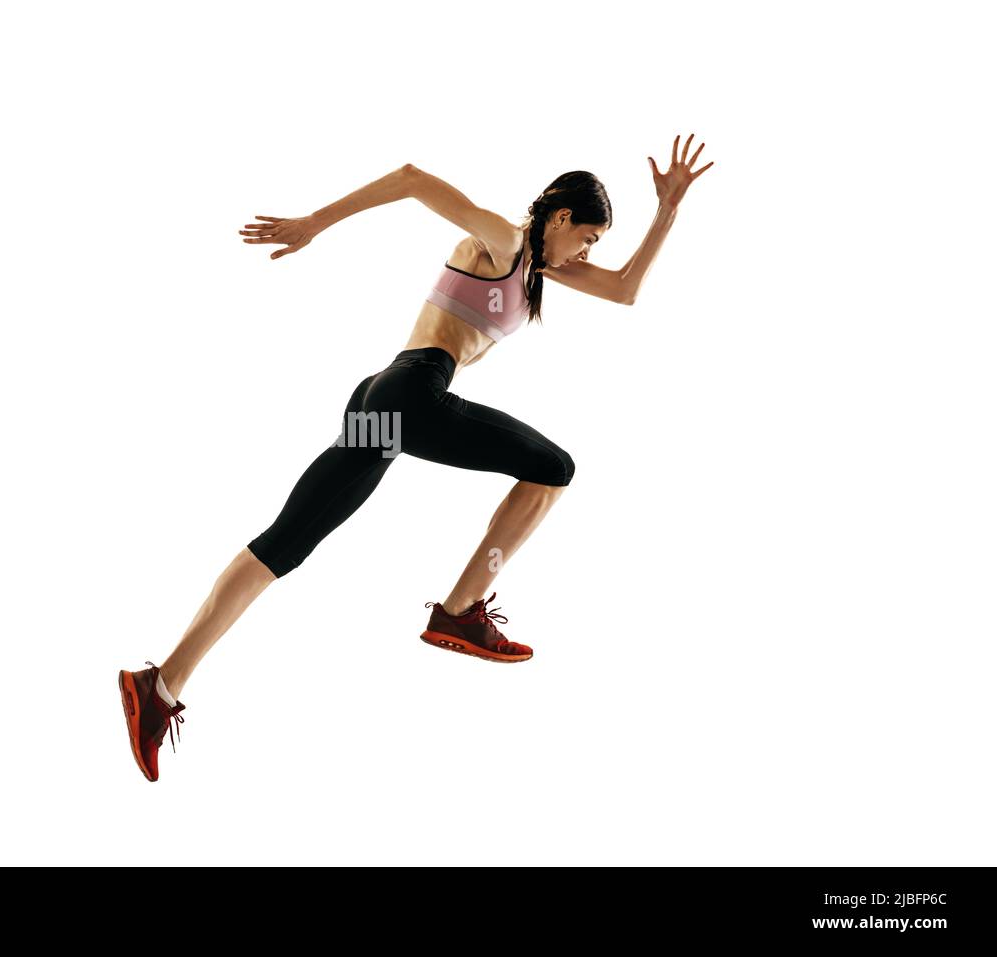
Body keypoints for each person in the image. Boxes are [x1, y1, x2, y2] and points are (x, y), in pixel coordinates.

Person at [120, 134, 714, 782]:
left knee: (284, 544)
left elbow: (627, 289)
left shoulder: (539, 271)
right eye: (589, 238)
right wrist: (313, 224)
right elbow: (410, 178)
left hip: (381, 396)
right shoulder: (506, 243)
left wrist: (670, 211)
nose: (588, 252)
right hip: (414, 391)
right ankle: (461, 609)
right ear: (563, 217)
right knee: (553, 468)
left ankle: (161, 685)